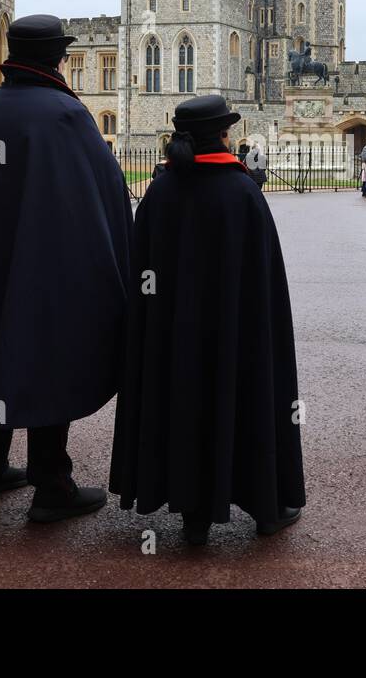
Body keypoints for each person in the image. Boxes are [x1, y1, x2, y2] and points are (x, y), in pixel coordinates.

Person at [0, 14, 133, 523]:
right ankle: (52, 484)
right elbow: (108, 191)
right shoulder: (64, 114)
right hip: (51, 266)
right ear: (55, 58)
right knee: (52, 360)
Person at [109, 95, 306, 546]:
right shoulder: (242, 194)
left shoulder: (160, 193)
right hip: (236, 337)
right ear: (224, 134)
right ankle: (266, 506)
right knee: (247, 398)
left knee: (181, 401)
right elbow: (265, 289)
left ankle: (193, 512)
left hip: (172, 340)